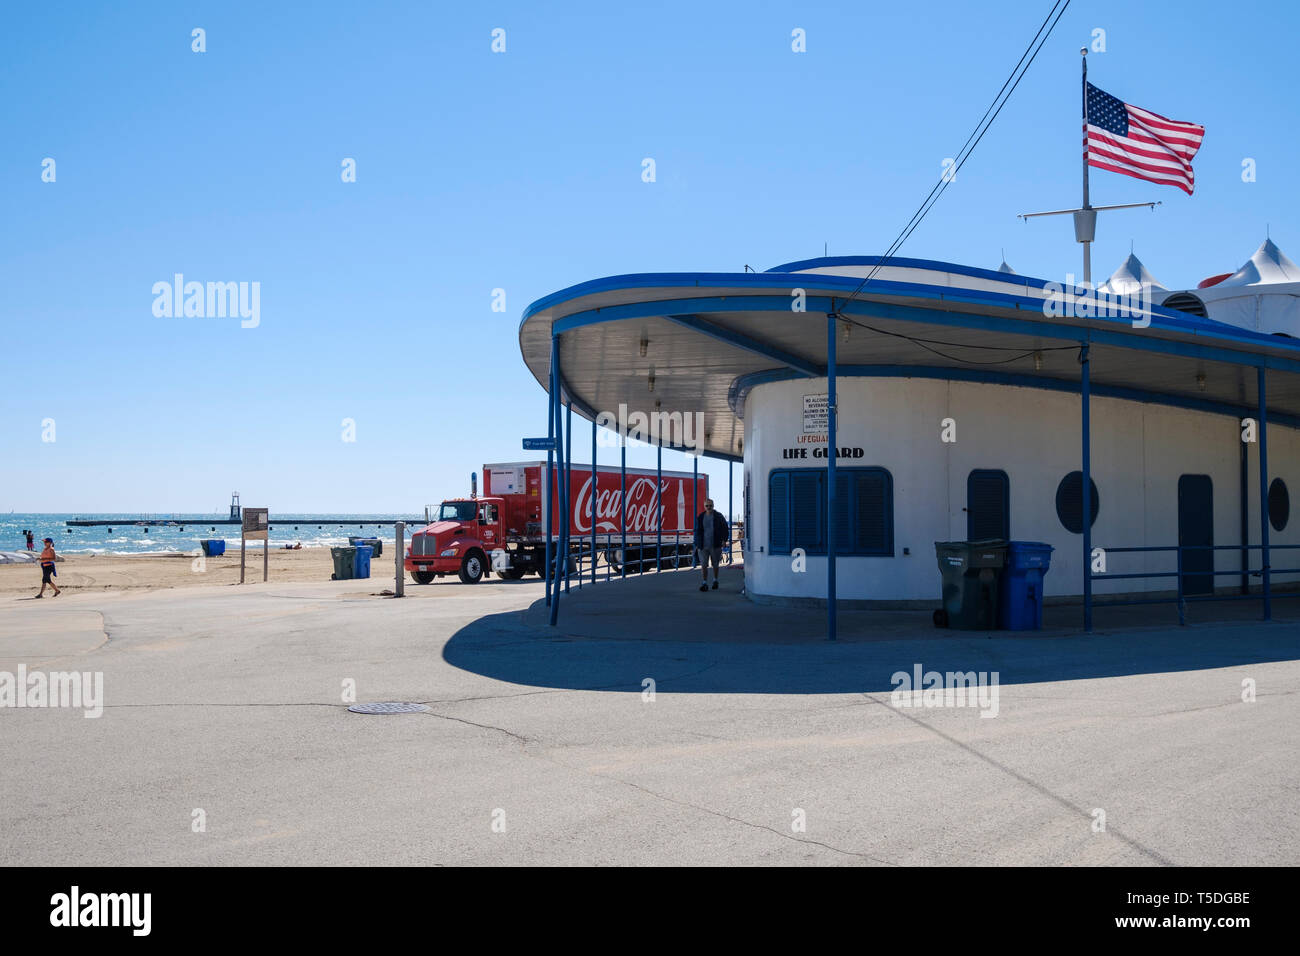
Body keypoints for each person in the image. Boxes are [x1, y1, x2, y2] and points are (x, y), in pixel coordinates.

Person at [693, 498, 728, 592]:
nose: (709, 507)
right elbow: (696, 531)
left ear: (713, 506)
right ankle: (704, 583)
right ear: (704, 506)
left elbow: (725, 528)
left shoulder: (719, 516)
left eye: (710, 505)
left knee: (715, 564)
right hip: (703, 545)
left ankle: (715, 580)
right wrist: (696, 543)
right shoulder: (700, 517)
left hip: (715, 544)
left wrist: (724, 540)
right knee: (703, 565)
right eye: (707, 506)